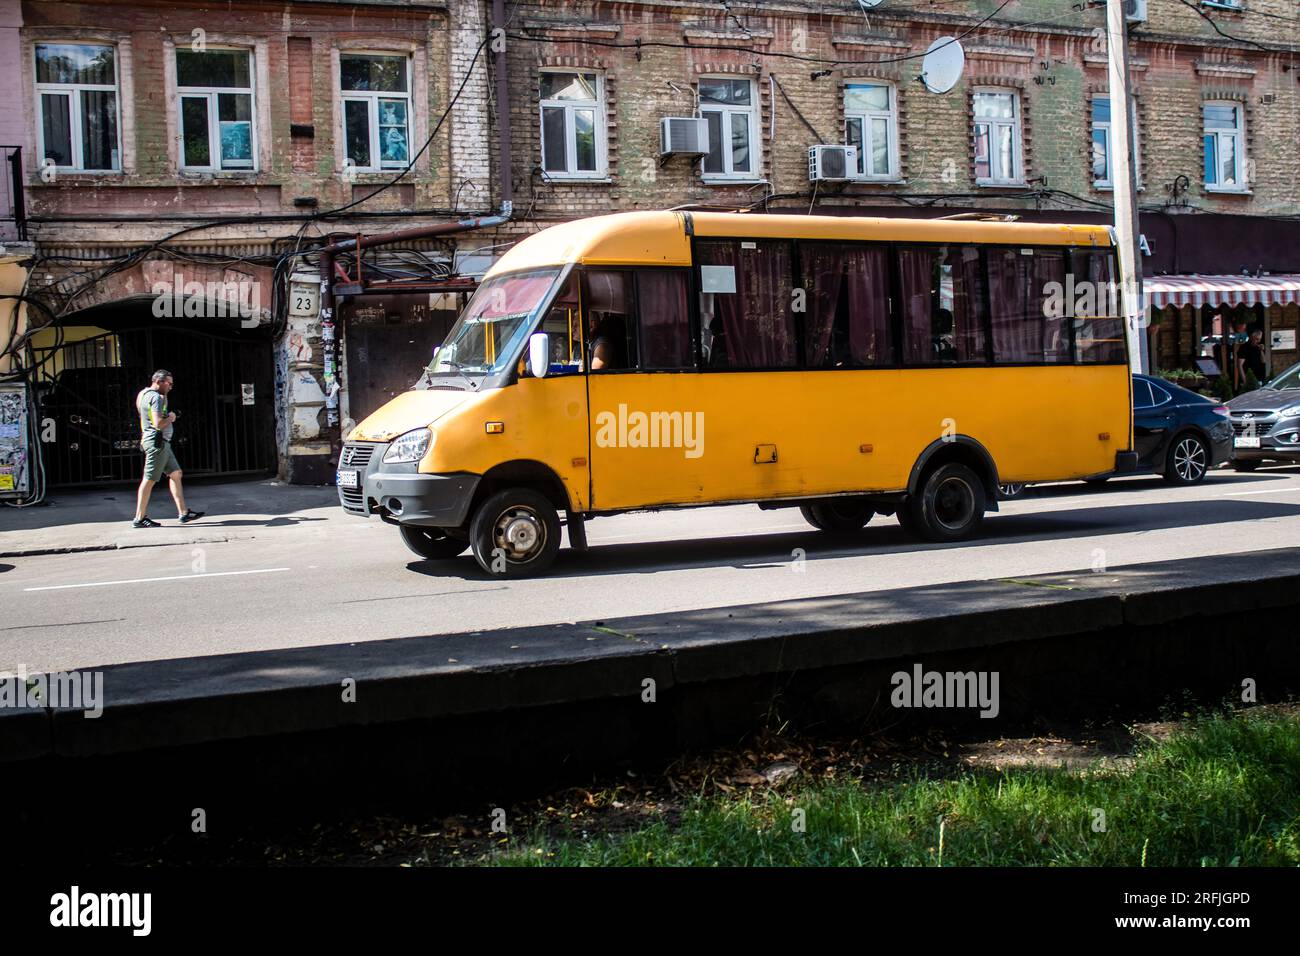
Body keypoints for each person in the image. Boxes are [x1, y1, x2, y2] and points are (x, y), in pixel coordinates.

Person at [132, 369, 203, 528]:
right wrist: (171, 417)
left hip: (159, 442)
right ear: (158, 381)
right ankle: (139, 518)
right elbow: (158, 424)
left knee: (176, 474)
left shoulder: (143, 394)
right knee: (149, 480)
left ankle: (183, 513)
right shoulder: (156, 397)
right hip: (158, 443)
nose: (171, 386)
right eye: (169, 383)